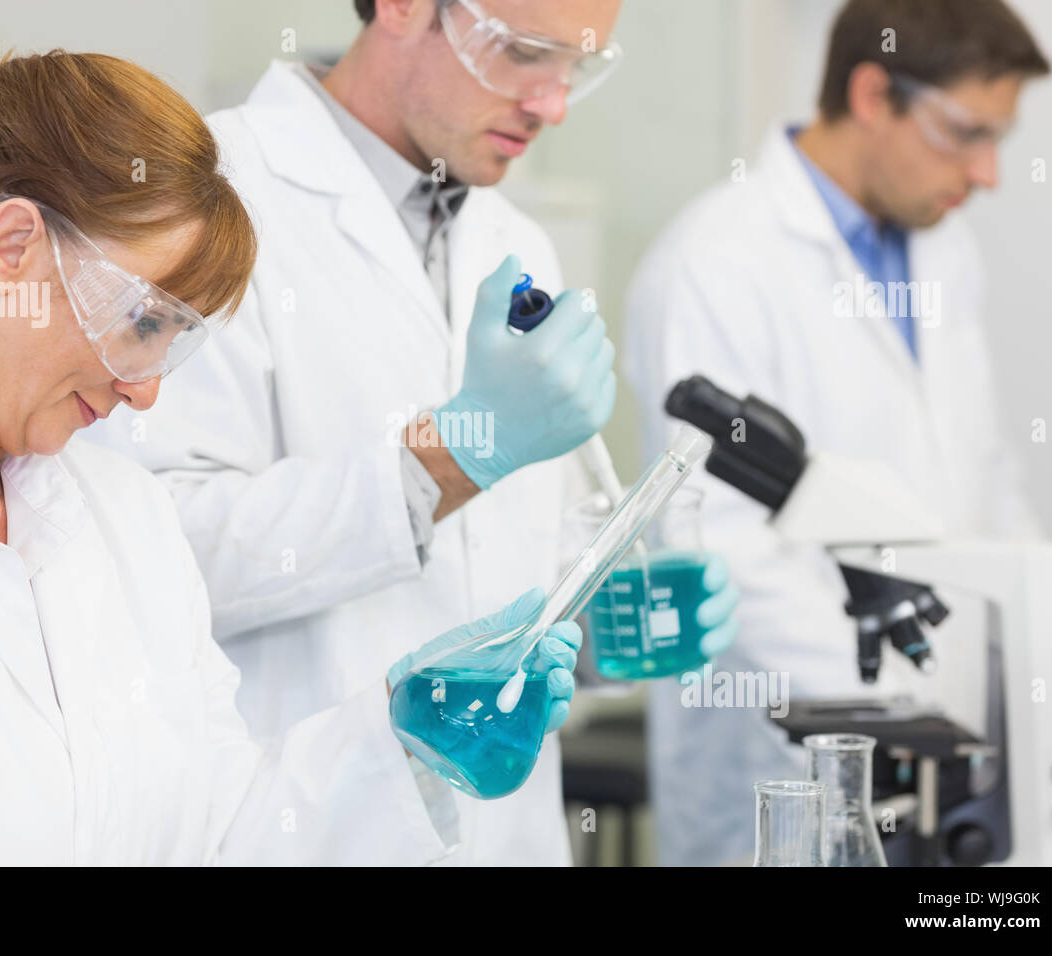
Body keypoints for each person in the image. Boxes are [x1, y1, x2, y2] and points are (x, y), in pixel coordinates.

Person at [0, 50, 583, 865]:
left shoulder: (122, 513)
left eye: (172, 347)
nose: (144, 396)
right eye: (141, 325)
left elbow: (225, 827)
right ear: (14, 246)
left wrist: (403, 742)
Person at [88, 0, 740, 865]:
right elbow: (147, 558)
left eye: (578, 65)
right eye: (523, 52)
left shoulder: (519, 240)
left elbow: (512, 567)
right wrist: (448, 458)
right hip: (305, 827)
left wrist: (599, 629)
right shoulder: (206, 200)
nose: (554, 105)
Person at [624, 0, 1051, 866]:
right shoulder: (718, 261)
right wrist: (909, 705)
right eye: (967, 133)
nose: (988, 173)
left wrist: (1043, 648)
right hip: (779, 753)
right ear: (870, 92)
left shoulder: (942, 250)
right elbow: (721, 546)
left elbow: (982, 472)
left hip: (944, 751)